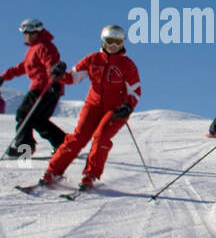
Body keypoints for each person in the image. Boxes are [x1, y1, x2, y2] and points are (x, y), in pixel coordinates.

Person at [37, 26, 141, 190]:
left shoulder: (127, 65)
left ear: (123, 43)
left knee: (101, 137)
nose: (113, 46)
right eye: (109, 41)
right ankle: (53, 171)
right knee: (78, 137)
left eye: (117, 42)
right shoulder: (93, 59)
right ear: (102, 41)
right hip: (93, 105)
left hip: (116, 109)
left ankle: (90, 175)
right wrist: (59, 74)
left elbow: (134, 90)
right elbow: (73, 77)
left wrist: (128, 106)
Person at [0, 18, 67, 157]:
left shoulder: (44, 46)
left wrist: (53, 80)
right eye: (25, 33)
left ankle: (25, 150)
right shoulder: (33, 49)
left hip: (45, 87)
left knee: (24, 114)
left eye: (31, 32)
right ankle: (63, 144)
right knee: (37, 120)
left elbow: (51, 63)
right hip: (46, 87)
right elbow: (23, 67)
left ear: (38, 32)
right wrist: (5, 76)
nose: (28, 35)